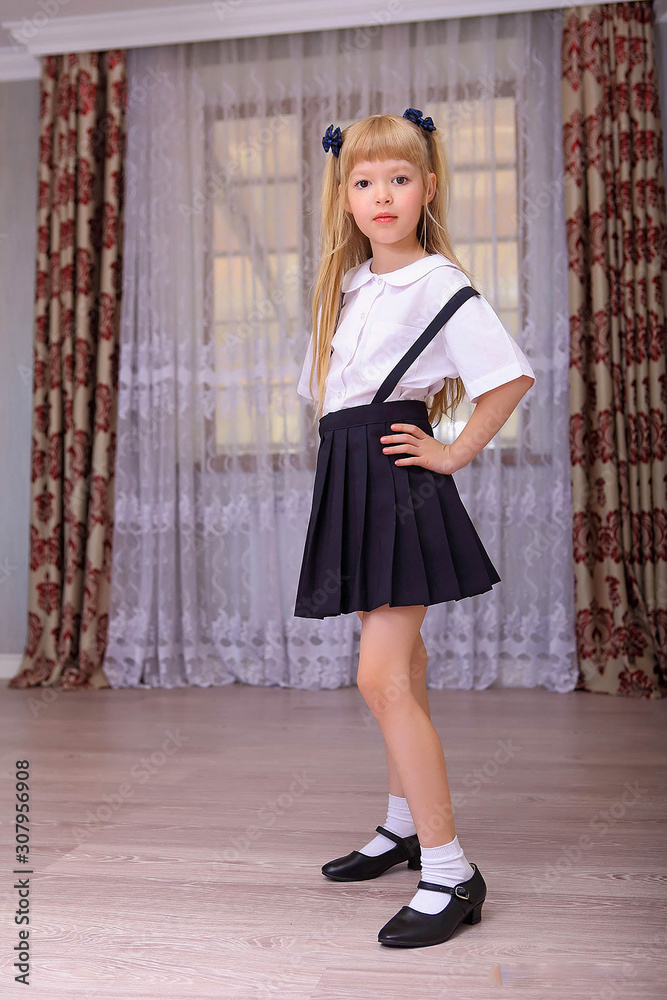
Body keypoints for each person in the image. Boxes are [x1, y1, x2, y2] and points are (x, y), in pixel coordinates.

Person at [293, 108, 536, 949]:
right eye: (364, 182)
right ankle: (402, 826)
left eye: (399, 178)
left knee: (381, 677)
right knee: (405, 663)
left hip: (396, 484)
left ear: (427, 188)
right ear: (345, 198)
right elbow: (331, 399)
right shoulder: (350, 285)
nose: (382, 194)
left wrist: (453, 450)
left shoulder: (438, 282)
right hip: (351, 475)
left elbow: (505, 377)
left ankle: (450, 870)